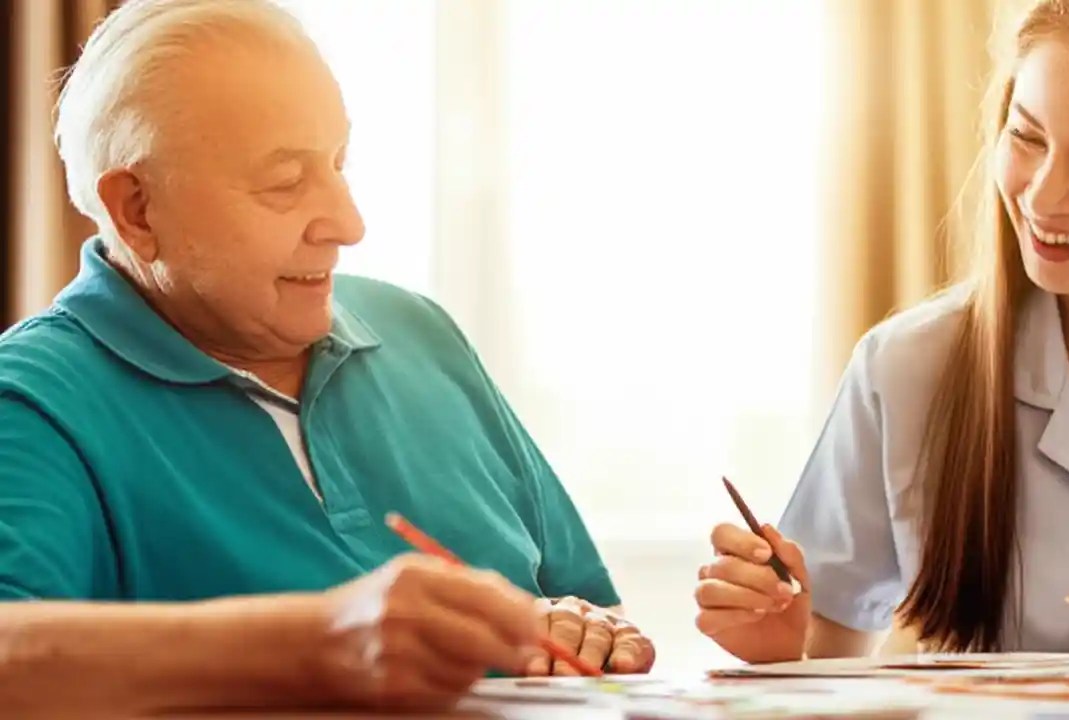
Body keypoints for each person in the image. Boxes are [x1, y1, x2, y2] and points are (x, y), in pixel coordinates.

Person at [0, 0, 653, 712]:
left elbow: (591, 610)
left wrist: (584, 633)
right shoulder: (31, 400)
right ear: (137, 210)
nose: (349, 223)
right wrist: (318, 643)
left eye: (339, 164)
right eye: (285, 182)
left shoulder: (419, 330)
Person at [694, 0, 1069, 669]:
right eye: (1027, 138)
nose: (1044, 195)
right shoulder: (907, 370)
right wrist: (780, 659)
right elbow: (829, 667)